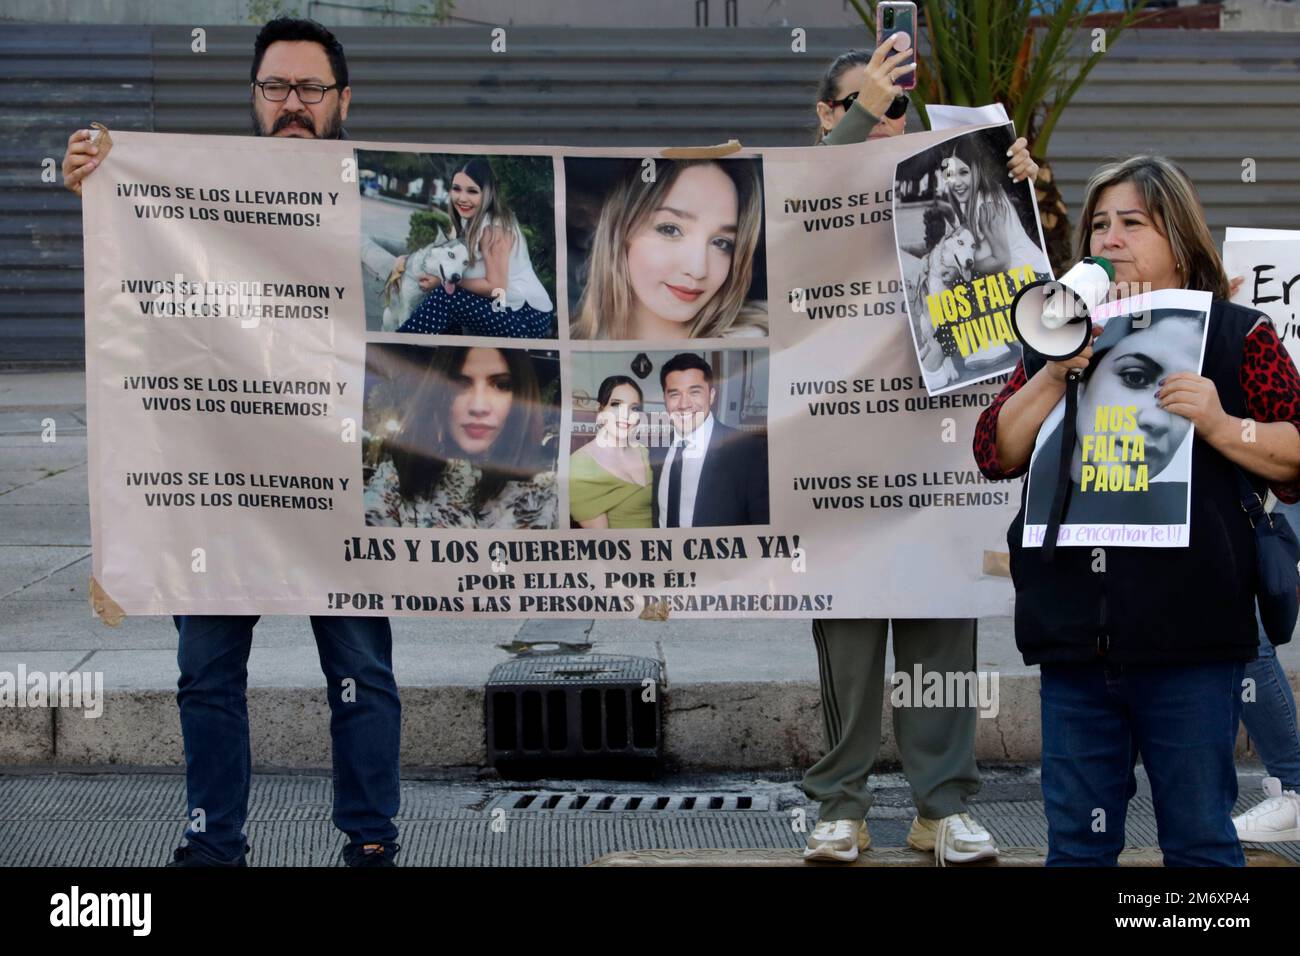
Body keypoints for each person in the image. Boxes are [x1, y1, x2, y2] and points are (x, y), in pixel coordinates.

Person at [61, 17, 401, 868]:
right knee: (206, 675)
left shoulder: (379, 200)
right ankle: (213, 848)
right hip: (219, 476)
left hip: (339, 478)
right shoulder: (193, 190)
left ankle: (369, 845)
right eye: (276, 88)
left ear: (342, 100)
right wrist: (99, 194)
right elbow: (135, 290)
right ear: (252, 97)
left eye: (311, 89)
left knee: (361, 675)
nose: (293, 104)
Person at [974, 154, 1300, 866]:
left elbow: (1297, 454)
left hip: (1192, 640)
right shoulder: (1055, 336)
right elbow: (994, 450)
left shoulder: (1237, 335)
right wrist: (1055, 372)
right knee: (1079, 847)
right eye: (1099, 225)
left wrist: (1223, 426)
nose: (1109, 239)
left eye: (1132, 223)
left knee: (1199, 844)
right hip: (1074, 639)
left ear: (1180, 240)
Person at [801, 38, 1037, 865]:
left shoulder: (944, 186)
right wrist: (869, 104)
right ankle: (839, 806)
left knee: (943, 625)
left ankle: (943, 806)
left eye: (898, 106)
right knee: (852, 640)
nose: (884, 119)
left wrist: (1020, 189)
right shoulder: (808, 184)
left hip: (945, 447)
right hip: (842, 450)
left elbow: (1039, 288)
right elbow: (812, 196)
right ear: (828, 113)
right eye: (862, 103)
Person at [1023, 308, 1206, 528]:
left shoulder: (1198, 525)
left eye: (1184, 393)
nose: (1157, 420)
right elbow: (996, 459)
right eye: (1135, 377)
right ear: (1081, 380)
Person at [571, 159, 766, 340]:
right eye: (670, 229)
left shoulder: (756, 340)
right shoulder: (571, 342)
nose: (698, 270)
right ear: (620, 230)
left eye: (721, 243)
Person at [365, 346, 557, 529]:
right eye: (461, 385)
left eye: (501, 385)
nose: (478, 407)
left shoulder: (546, 496)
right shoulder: (396, 478)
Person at [397, 157, 555, 338]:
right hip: (504, 305)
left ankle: (398, 348)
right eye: (456, 189)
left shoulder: (494, 228)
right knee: (447, 301)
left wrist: (445, 282)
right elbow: (443, 254)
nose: (462, 198)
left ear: (487, 194)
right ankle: (444, 358)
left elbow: (497, 288)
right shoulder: (469, 220)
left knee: (448, 297)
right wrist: (406, 261)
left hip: (526, 315)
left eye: (472, 191)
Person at [650, 353, 768, 527]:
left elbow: (762, 524)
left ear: (711, 395)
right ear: (665, 399)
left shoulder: (746, 449)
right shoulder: (656, 448)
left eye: (694, 392)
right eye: (674, 394)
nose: (684, 404)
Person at [569, 376, 653, 529]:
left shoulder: (645, 453)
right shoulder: (579, 464)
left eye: (634, 408)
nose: (625, 415)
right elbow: (605, 544)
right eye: (616, 405)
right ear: (600, 410)